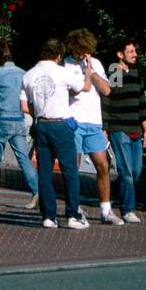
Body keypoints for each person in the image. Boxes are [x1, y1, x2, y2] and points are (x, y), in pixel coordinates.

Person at [21, 39, 90, 230]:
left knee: (44, 172)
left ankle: (49, 216)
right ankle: (73, 214)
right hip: (61, 125)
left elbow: (23, 104)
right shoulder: (62, 72)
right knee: (70, 171)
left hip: (41, 124)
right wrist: (89, 72)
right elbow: (83, 87)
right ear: (59, 55)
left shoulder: (28, 75)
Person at [63, 28, 124, 225]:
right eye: (79, 51)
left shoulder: (95, 63)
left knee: (103, 164)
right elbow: (69, 93)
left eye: (85, 51)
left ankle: (106, 210)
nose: (82, 55)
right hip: (74, 122)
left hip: (94, 122)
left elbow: (107, 90)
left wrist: (91, 72)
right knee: (74, 167)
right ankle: (75, 207)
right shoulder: (65, 64)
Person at [0, 42, 40, 210]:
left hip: (2, 121)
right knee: (23, 159)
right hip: (19, 119)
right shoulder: (23, 73)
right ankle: (37, 191)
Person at [102, 37, 146, 224]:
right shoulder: (115, 71)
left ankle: (116, 189)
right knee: (127, 171)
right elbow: (107, 99)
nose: (135, 54)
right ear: (120, 54)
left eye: (135, 51)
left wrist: (145, 128)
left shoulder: (136, 73)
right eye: (131, 51)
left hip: (135, 129)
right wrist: (105, 128)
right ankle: (128, 210)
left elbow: (142, 102)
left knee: (135, 171)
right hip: (119, 127)